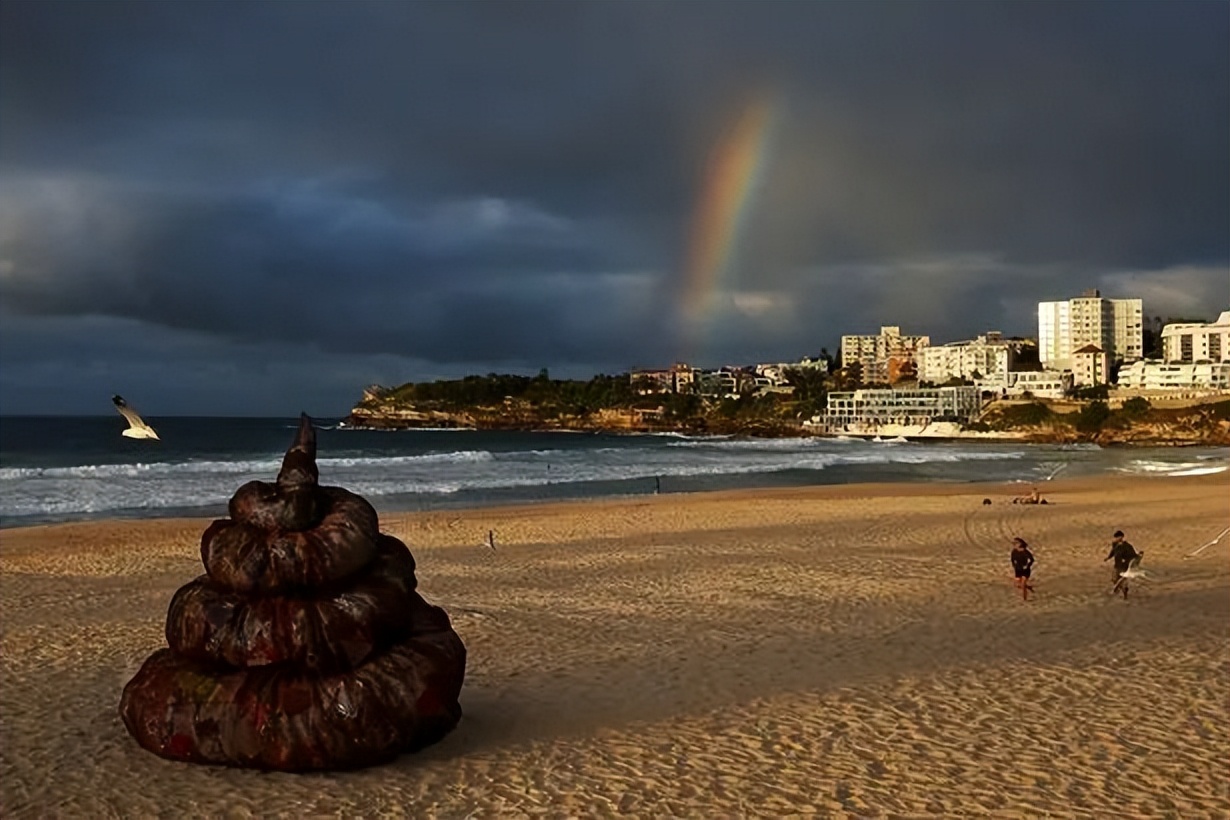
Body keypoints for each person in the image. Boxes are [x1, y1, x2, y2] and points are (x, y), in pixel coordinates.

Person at [1104, 530, 1139, 599]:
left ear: (1122, 537)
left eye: (1118, 537)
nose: (1116, 539)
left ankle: (1124, 593)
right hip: (1117, 565)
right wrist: (1108, 557)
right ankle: (1122, 589)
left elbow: (1132, 555)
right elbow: (1113, 551)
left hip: (1124, 565)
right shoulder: (1115, 544)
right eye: (1116, 537)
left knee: (1121, 579)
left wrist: (1132, 560)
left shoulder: (1127, 546)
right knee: (1114, 579)